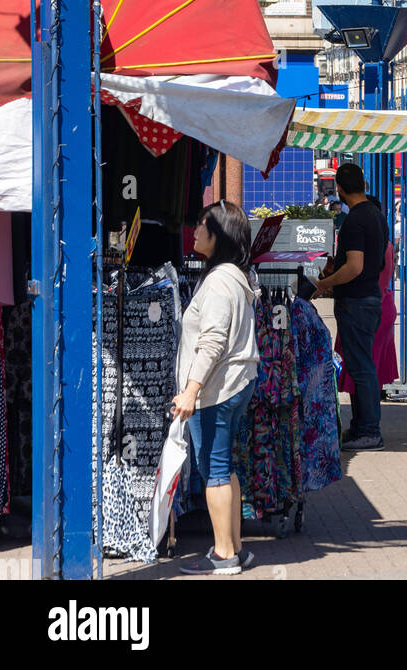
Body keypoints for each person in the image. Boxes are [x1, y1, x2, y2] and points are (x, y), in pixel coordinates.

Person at [172, 200, 260, 575]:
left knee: (216, 471)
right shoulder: (233, 276)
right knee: (225, 467)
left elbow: (212, 342)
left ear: (218, 234)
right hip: (232, 383)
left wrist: (191, 390)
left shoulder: (221, 281)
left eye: (201, 225)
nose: (194, 231)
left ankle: (224, 555)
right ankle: (234, 548)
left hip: (218, 389)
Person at [313, 163, 388, 450]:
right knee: (360, 365)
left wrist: (325, 282)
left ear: (341, 190)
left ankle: (369, 430)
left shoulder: (356, 219)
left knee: (362, 368)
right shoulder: (376, 215)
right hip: (368, 298)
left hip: (357, 300)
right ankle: (361, 428)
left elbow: (355, 266)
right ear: (364, 185)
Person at [334, 235, 399, 405]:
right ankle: (365, 423)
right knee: (372, 372)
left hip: (364, 310)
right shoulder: (386, 243)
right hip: (382, 306)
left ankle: (364, 426)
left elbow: (352, 272)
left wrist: (326, 283)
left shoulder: (363, 245)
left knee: (359, 372)